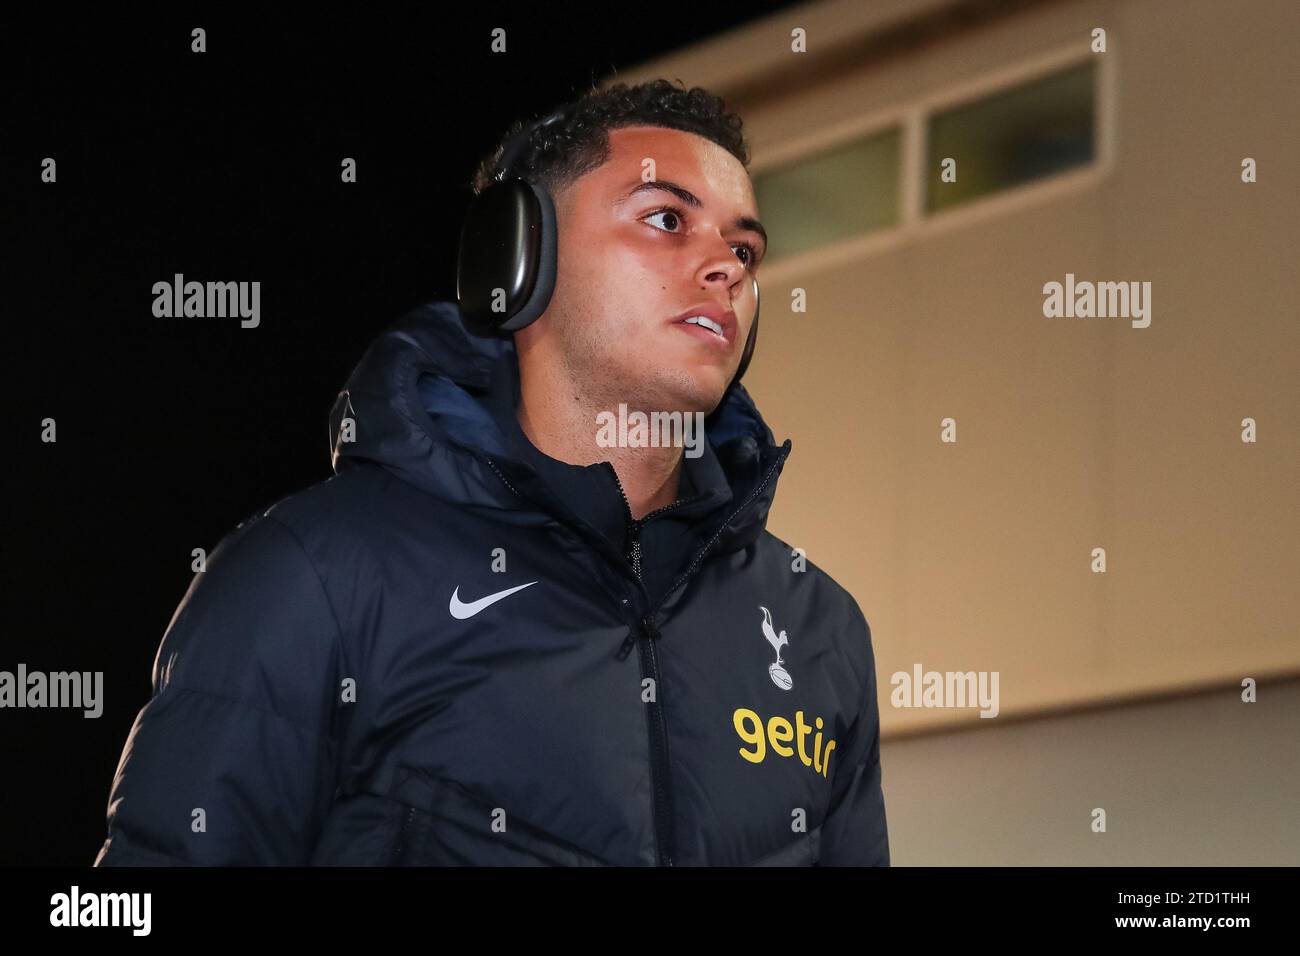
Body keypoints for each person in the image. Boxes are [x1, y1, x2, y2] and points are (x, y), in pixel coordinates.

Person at [94, 78, 889, 866]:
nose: (725, 267)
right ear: (517, 259)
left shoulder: (823, 633)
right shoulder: (320, 574)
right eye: (666, 219)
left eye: (744, 249)